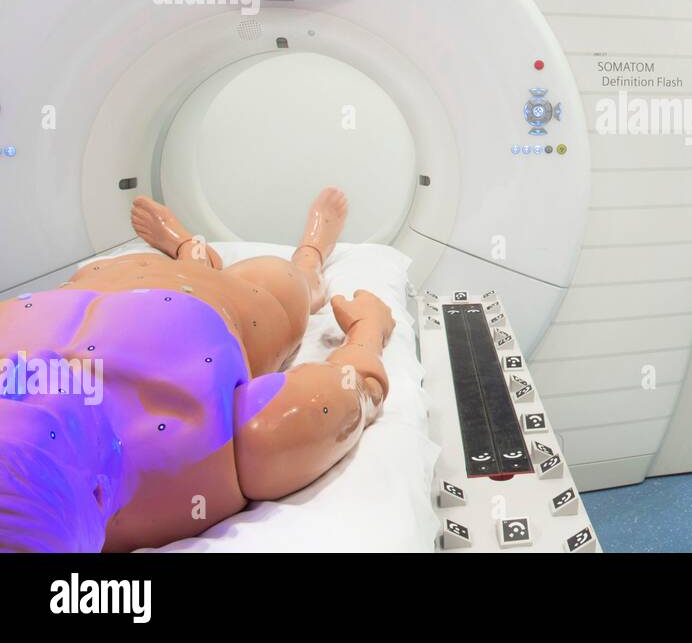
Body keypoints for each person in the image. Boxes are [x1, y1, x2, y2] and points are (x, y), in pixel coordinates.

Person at [0, 188, 396, 552]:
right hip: (245, 300)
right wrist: (367, 331)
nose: (27, 369)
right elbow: (346, 394)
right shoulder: (220, 450)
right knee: (290, 279)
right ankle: (311, 254)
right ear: (99, 494)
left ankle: (190, 250)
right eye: (30, 402)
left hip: (104, 274)